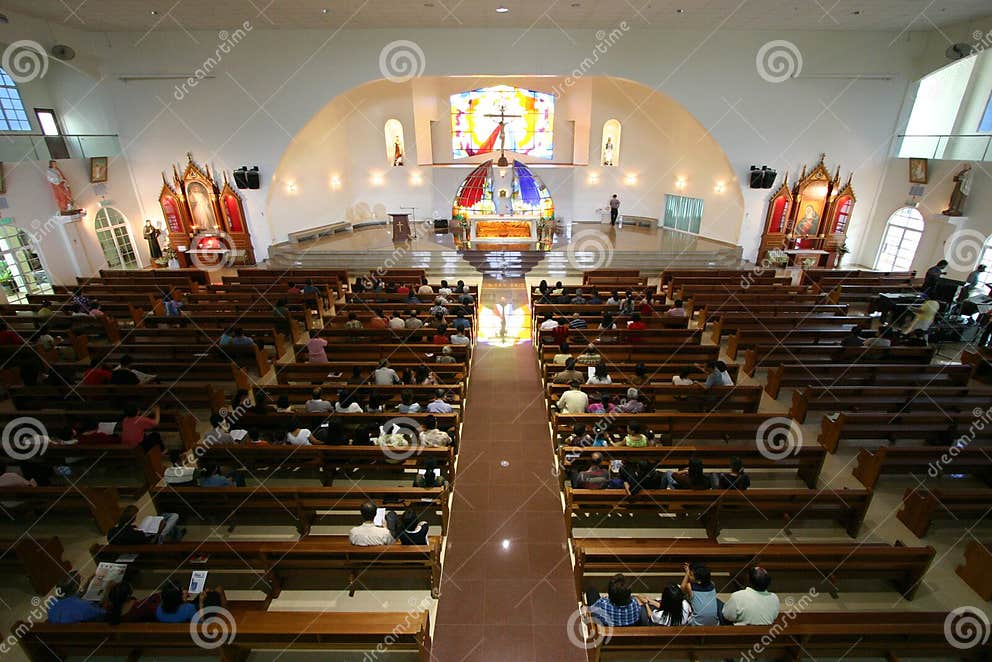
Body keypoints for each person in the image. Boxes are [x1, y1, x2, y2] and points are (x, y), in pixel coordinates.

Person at [108, 505, 182, 544]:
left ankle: (177, 534)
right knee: (174, 517)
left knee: (171, 525)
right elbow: (151, 541)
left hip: (139, 537)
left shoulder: (111, 532)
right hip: (153, 540)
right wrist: (160, 530)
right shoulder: (135, 534)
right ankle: (176, 536)